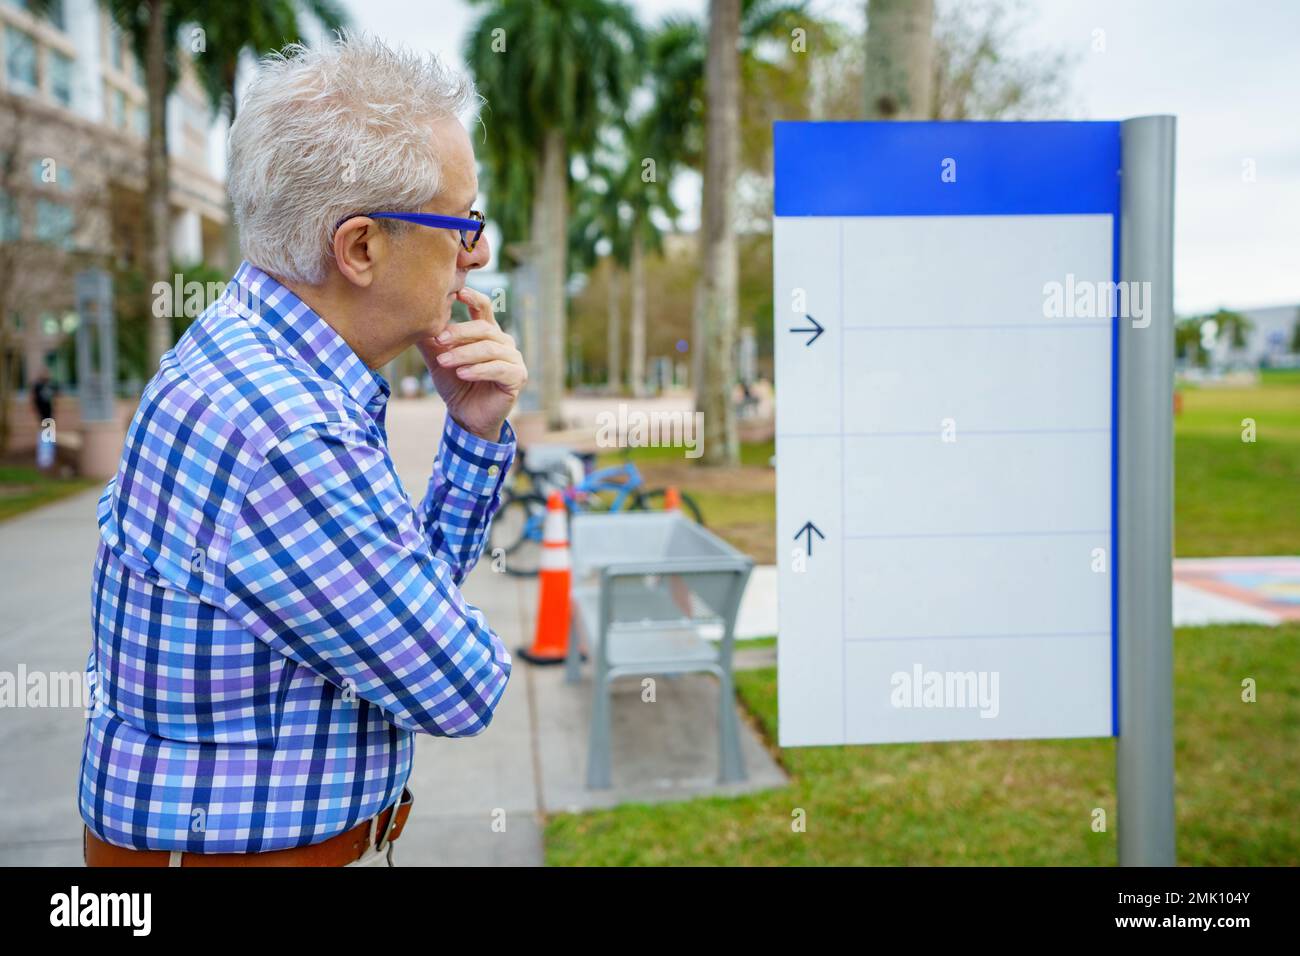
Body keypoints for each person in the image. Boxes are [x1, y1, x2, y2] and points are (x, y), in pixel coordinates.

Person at [80, 33, 527, 867]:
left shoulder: (249, 353)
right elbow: (459, 683)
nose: (479, 253)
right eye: (464, 223)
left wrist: (473, 433)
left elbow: (403, 599)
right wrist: (444, 627)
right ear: (359, 247)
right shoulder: (288, 431)